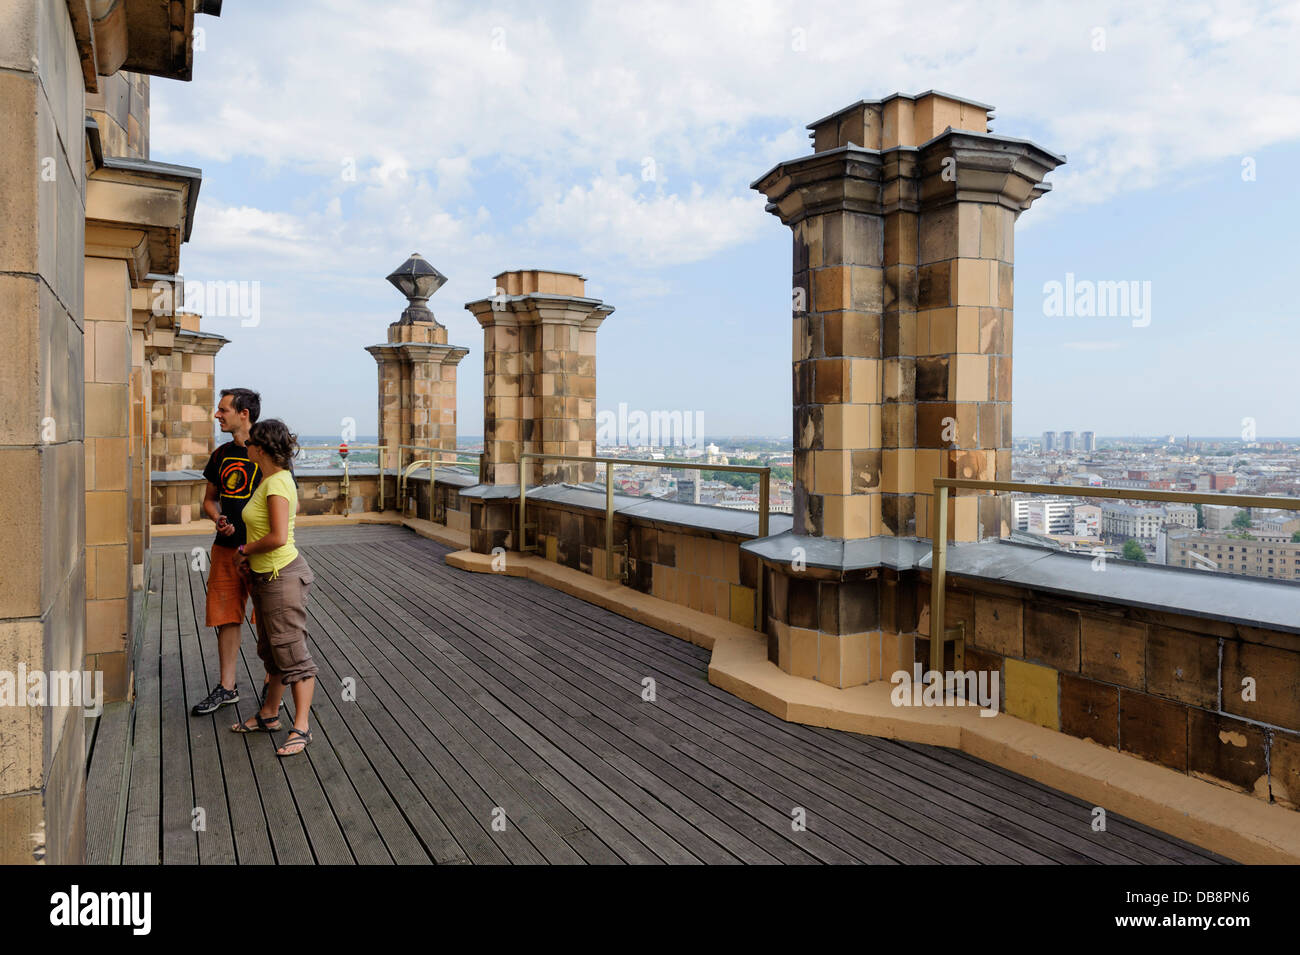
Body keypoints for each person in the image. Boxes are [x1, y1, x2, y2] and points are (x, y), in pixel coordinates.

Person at [230, 419, 318, 757]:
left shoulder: (278, 483)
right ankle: (269, 714)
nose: (246, 446)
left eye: (250, 442)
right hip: (266, 578)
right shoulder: (269, 479)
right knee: (272, 650)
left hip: (282, 578)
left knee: (292, 652)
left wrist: (244, 551)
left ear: (261, 449)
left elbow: (279, 536)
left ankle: (302, 727)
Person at [191, 388, 266, 716]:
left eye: (223, 410)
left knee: (267, 619)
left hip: (261, 552)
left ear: (243, 414)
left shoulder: (267, 454)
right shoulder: (221, 455)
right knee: (226, 617)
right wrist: (217, 518)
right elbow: (209, 500)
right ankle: (227, 687)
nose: (217, 415)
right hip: (225, 549)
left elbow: (282, 499)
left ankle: (271, 685)